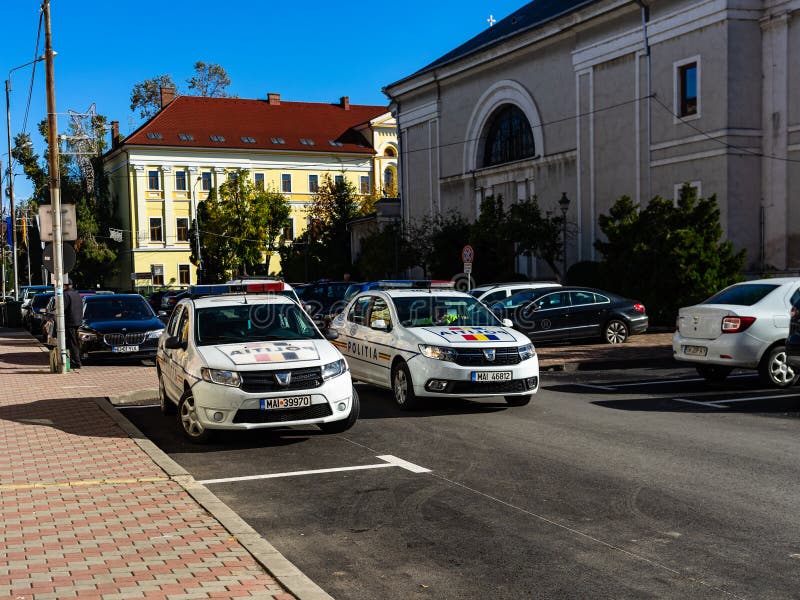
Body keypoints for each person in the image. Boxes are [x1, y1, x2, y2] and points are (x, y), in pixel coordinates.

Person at [63, 282, 83, 369]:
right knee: (75, 342)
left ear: (64, 285)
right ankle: (76, 360)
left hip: (70, 322)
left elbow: (62, 308)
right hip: (78, 321)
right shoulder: (76, 294)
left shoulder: (66, 294)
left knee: (72, 343)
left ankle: (76, 362)